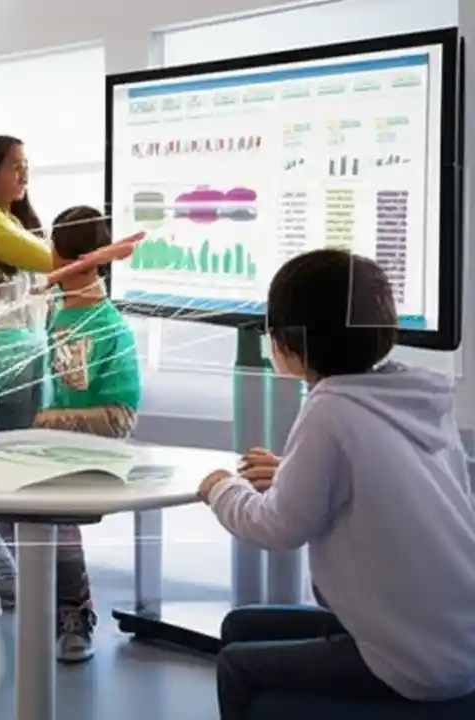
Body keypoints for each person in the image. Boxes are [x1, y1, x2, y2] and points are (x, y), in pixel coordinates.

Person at [197, 249, 475, 720]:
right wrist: (291, 471)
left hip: (411, 663)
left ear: (289, 341)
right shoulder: (413, 396)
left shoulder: (330, 408)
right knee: (241, 625)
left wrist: (221, 488)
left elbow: (277, 528)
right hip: (455, 640)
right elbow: (379, 477)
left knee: (236, 665)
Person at [0, 135, 143, 614]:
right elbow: (56, 266)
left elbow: (51, 274)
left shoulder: (18, 227)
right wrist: (103, 253)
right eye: (15, 165)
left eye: (26, 164)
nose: (24, 174)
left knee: (10, 470)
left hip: (26, 364)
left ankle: (15, 572)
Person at [29, 205, 142, 662]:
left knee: (59, 517)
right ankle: (51, 598)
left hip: (79, 450)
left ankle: (74, 611)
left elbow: (120, 416)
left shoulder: (111, 327)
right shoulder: (46, 314)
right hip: (40, 445)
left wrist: (47, 423)